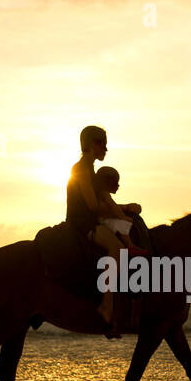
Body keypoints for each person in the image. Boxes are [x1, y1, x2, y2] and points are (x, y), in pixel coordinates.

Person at [66, 126, 123, 331]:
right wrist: (122, 209)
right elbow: (91, 205)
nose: (106, 149)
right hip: (82, 222)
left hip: (91, 219)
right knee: (117, 248)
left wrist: (123, 209)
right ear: (91, 144)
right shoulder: (81, 169)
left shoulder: (90, 169)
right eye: (102, 144)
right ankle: (107, 304)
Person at [94, 166, 142, 251]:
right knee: (121, 224)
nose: (118, 185)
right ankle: (130, 245)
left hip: (102, 219)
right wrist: (124, 217)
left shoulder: (100, 193)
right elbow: (113, 207)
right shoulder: (105, 194)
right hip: (102, 221)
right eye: (115, 182)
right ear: (107, 182)